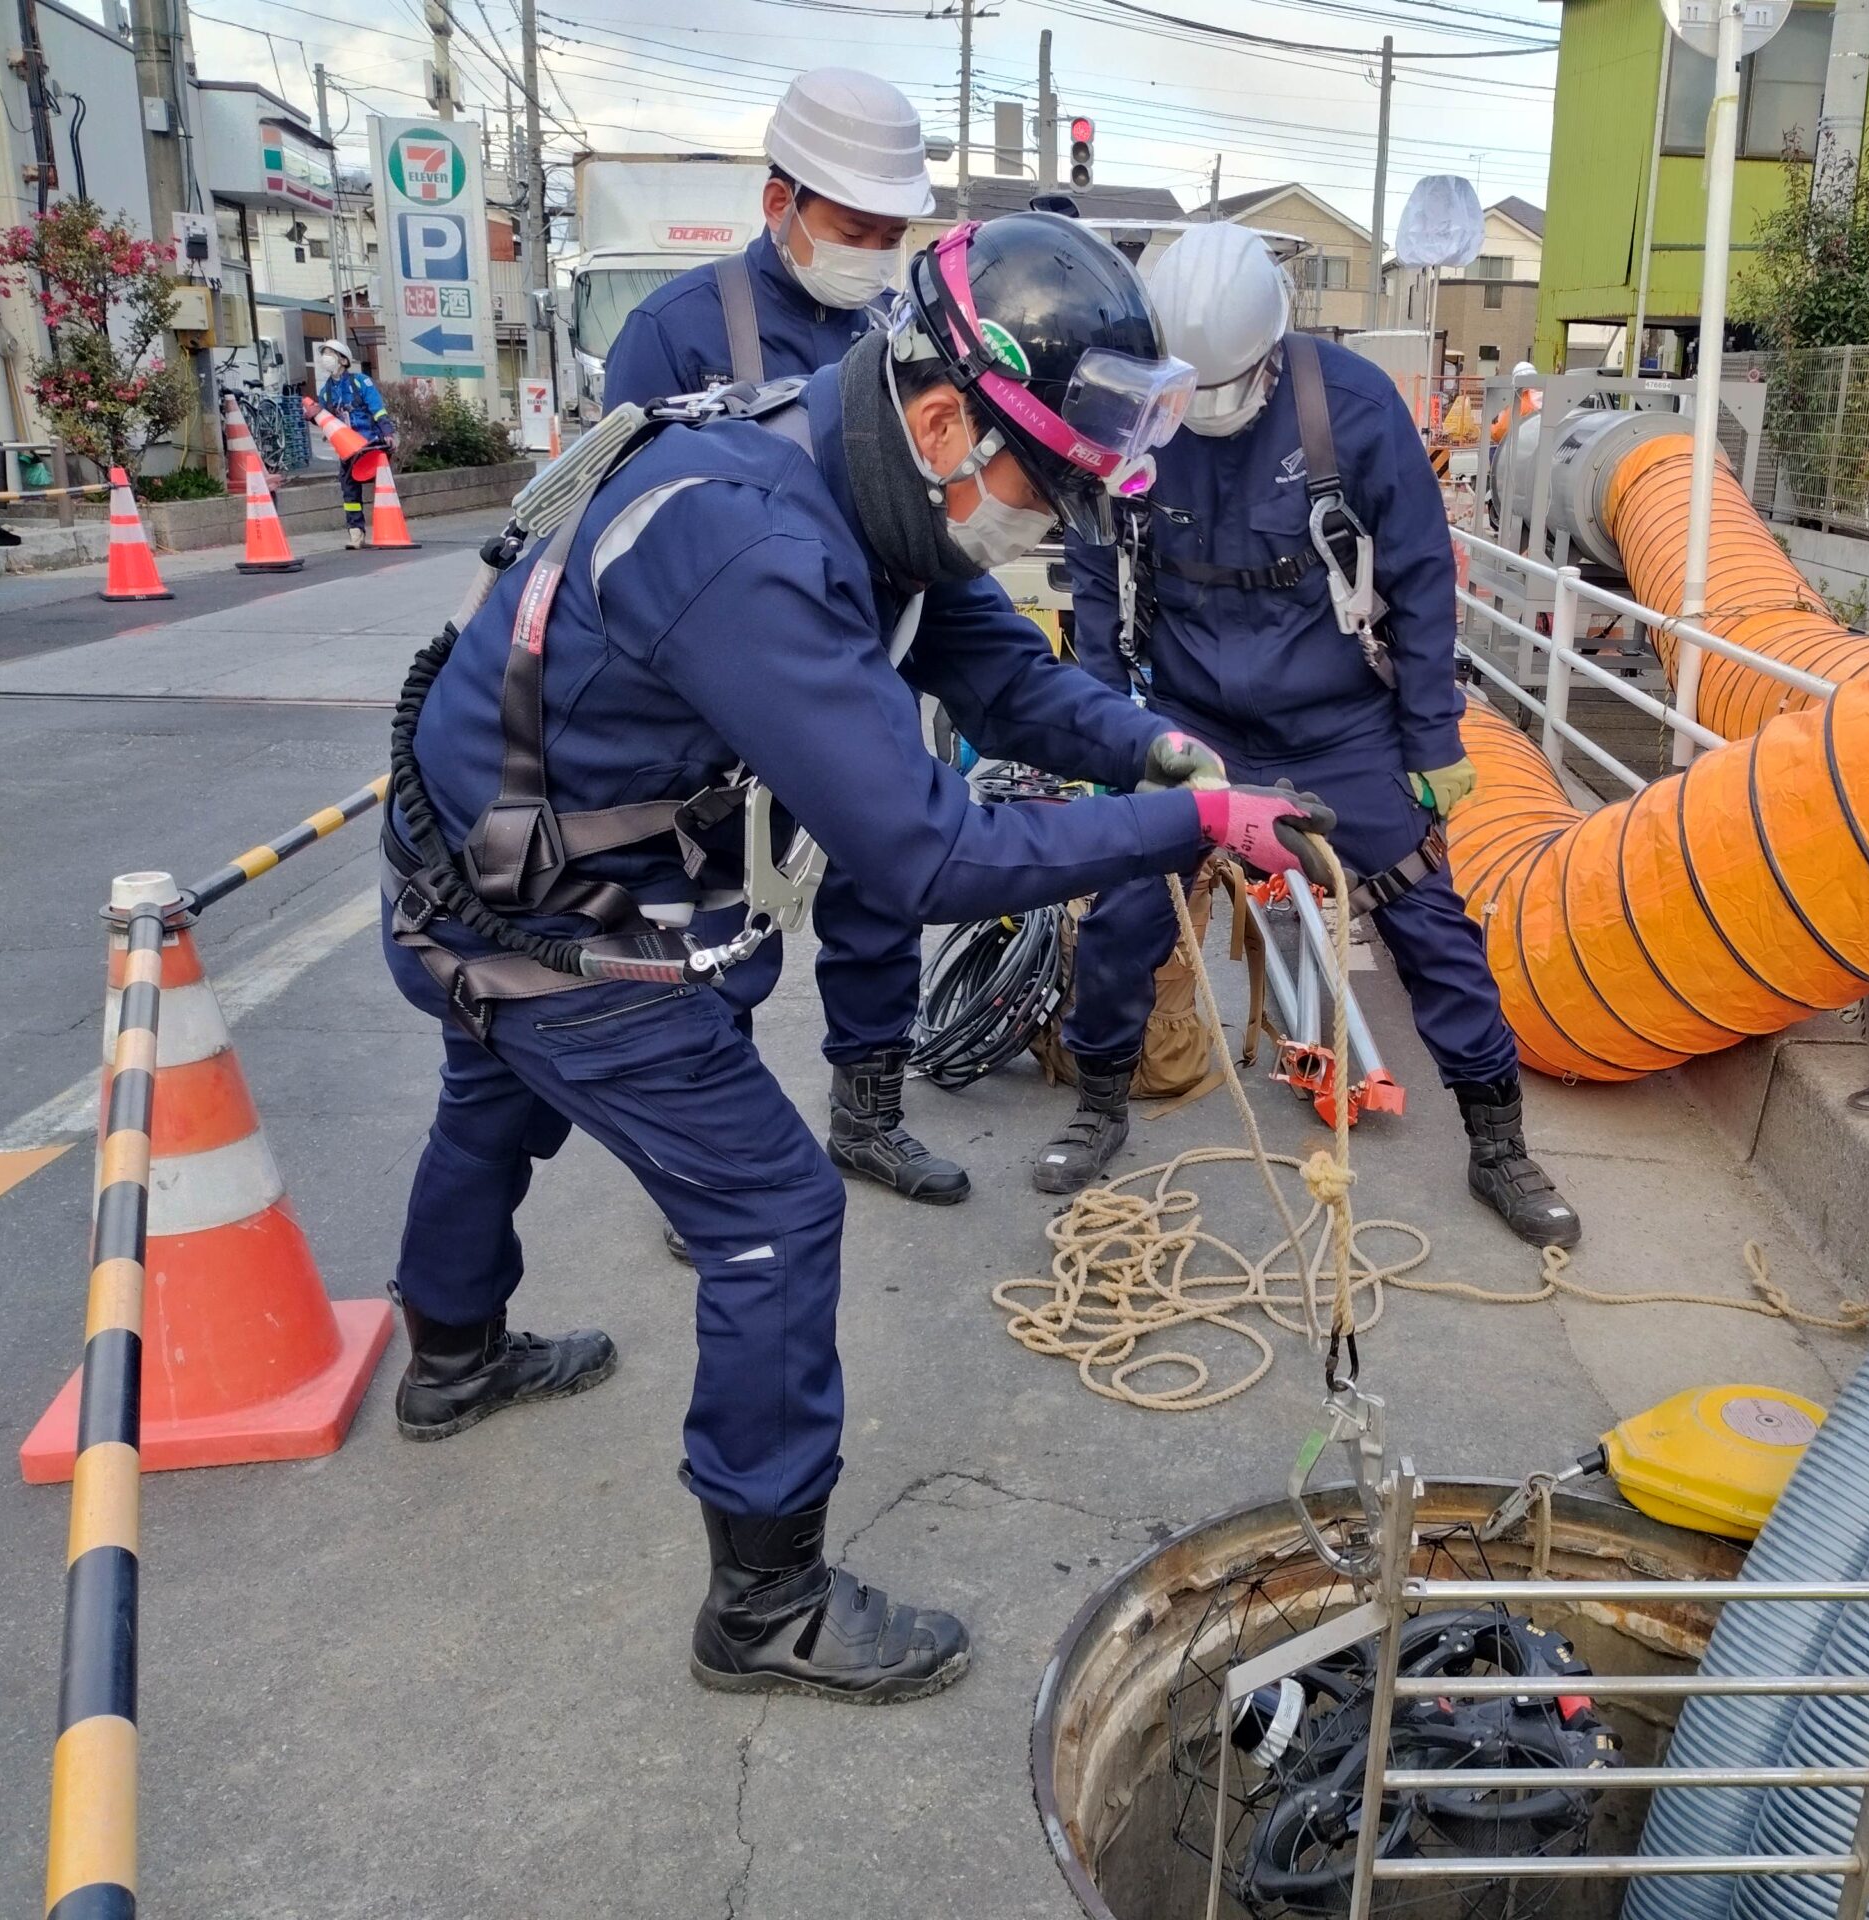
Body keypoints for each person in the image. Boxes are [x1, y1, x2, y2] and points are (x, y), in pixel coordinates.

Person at [380, 212, 1331, 1702]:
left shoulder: (855, 456)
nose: (1054, 525)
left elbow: (1000, 669)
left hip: (479, 862)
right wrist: (1183, 826)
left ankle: (450, 1357)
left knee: (488, 1090)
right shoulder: (751, 544)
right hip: (542, 911)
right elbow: (930, 853)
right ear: (948, 417)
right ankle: (763, 1605)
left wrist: (1150, 749)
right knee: (769, 1209)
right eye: (1047, 489)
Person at [1041, 222, 1579, 1251]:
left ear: (1270, 347)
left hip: (1338, 722)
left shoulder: (1349, 408)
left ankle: (1498, 1140)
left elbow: (1421, 582)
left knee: (1426, 917)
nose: (1203, 414)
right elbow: (1098, 591)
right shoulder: (1122, 418)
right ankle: (1098, 1102)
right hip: (1191, 718)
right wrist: (1111, 737)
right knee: (1124, 909)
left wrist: (1429, 738)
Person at [601, 68, 973, 1219]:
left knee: (879, 897)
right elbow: (615, 527)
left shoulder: (902, 336)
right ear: (780, 203)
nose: (870, 249)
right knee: (723, 931)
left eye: (890, 231)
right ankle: (718, 1162)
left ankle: (867, 1119)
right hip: (720, 706)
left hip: (869, 666)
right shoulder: (675, 332)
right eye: (852, 228)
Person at [313, 341, 392, 547]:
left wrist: (387, 431)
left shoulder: (360, 382)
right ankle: (356, 534)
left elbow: (378, 408)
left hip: (371, 444)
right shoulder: (326, 392)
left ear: (343, 360)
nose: (326, 357)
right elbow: (325, 419)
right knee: (349, 491)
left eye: (330, 353)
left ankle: (390, 527)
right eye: (324, 354)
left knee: (383, 487)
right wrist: (313, 416)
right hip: (347, 450)